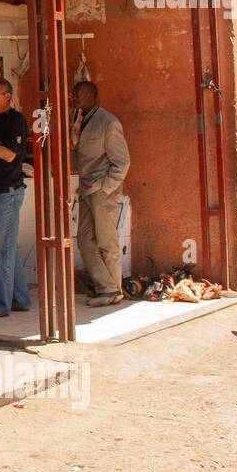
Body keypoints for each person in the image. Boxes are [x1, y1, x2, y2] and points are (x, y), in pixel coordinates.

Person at [70, 80, 130, 307]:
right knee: (85, 241)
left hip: (103, 191)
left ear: (91, 95)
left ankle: (111, 290)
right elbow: (79, 160)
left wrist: (105, 188)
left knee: (106, 241)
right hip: (86, 189)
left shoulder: (109, 123)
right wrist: (74, 143)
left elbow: (122, 163)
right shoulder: (79, 120)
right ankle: (108, 288)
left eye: (77, 95)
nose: (73, 98)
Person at [0, 79, 31, 318]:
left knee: (2, 250)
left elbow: (9, 154)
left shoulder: (16, 120)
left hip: (9, 192)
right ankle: (21, 299)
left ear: (8, 96)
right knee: (8, 248)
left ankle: (1, 303)